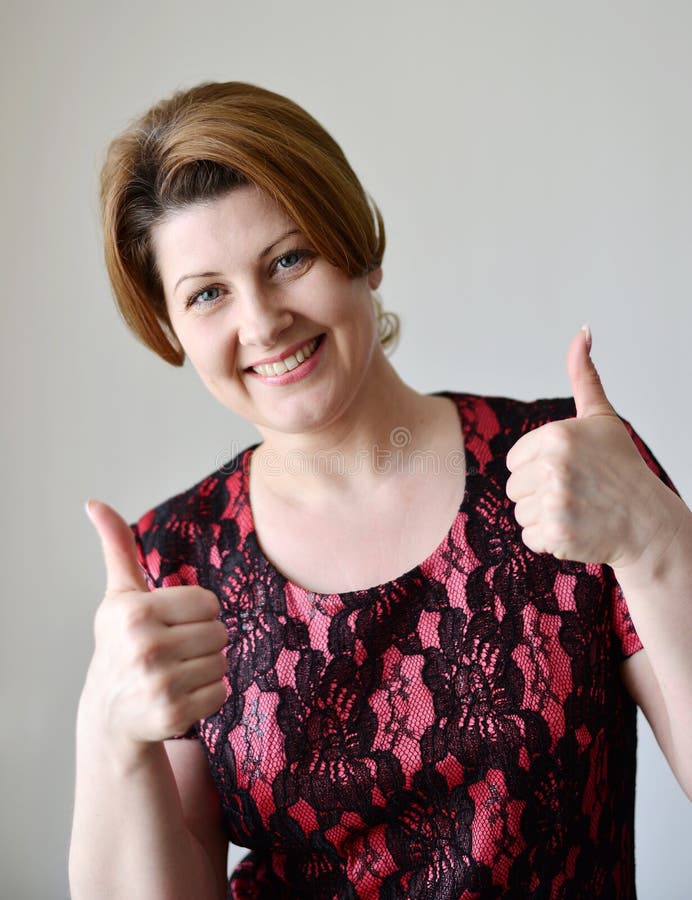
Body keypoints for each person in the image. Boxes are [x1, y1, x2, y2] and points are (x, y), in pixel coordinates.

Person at [69, 81, 691, 899]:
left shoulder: (572, 471)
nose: (262, 323)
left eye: (289, 259)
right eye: (208, 293)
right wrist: (110, 733)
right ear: (173, 328)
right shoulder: (173, 559)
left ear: (360, 249)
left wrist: (660, 541)